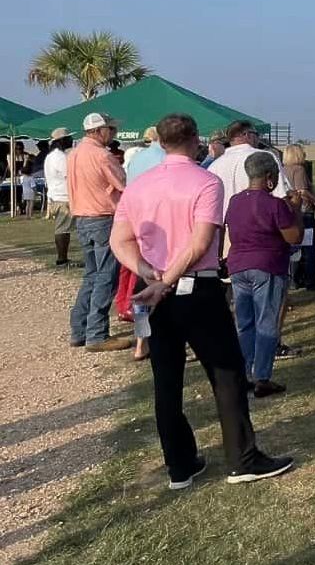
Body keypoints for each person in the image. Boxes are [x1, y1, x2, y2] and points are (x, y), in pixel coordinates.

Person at [109, 113, 294, 488]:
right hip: (196, 286)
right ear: (195, 141)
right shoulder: (205, 182)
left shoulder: (139, 186)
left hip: (156, 289)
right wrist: (166, 280)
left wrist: (149, 273)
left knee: (167, 379)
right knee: (225, 374)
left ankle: (180, 464)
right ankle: (243, 458)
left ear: (160, 143)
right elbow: (200, 241)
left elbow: (120, 240)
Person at [226, 152, 303, 398]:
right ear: (270, 177)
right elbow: (294, 237)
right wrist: (296, 211)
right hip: (267, 265)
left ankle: (245, 373)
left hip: (238, 265)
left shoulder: (236, 201)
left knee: (245, 323)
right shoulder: (274, 204)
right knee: (266, 322)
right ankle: (262, 376)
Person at [67, 113, 132, 352]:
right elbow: (123, 185)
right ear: (99, 130)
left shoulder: (73, 154)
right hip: (103, 218)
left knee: (92, 275)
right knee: (107, 276)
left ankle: (79, 328)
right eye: (111, 129)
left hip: (82, 217)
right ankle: (97, 333)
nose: (113, 134)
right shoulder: (102, 156)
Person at [208, 120, 290, 215]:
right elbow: (281, 194)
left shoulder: (214, 166)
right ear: (246, 134)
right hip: (257, 224)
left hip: (224, 225)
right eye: (256, 134)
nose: (258, 138)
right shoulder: (265, 157)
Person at [281, 144, 315, 289]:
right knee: (311, 246)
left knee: (294, 248)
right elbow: (302, 191)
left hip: (289, 211)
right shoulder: (299, 170)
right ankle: (311, 279)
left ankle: (294, 279)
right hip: (304, 212)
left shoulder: (282, 170)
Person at [44, 128, 75, 266]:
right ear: (62, 141)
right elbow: (69, 175)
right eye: (69, 138)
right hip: (63, 197)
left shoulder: (52, 156)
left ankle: (63, 257)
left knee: (63, 228)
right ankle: (62, 259)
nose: (72, 140)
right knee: (63, 228)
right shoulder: (59, 157)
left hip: (55, 195)